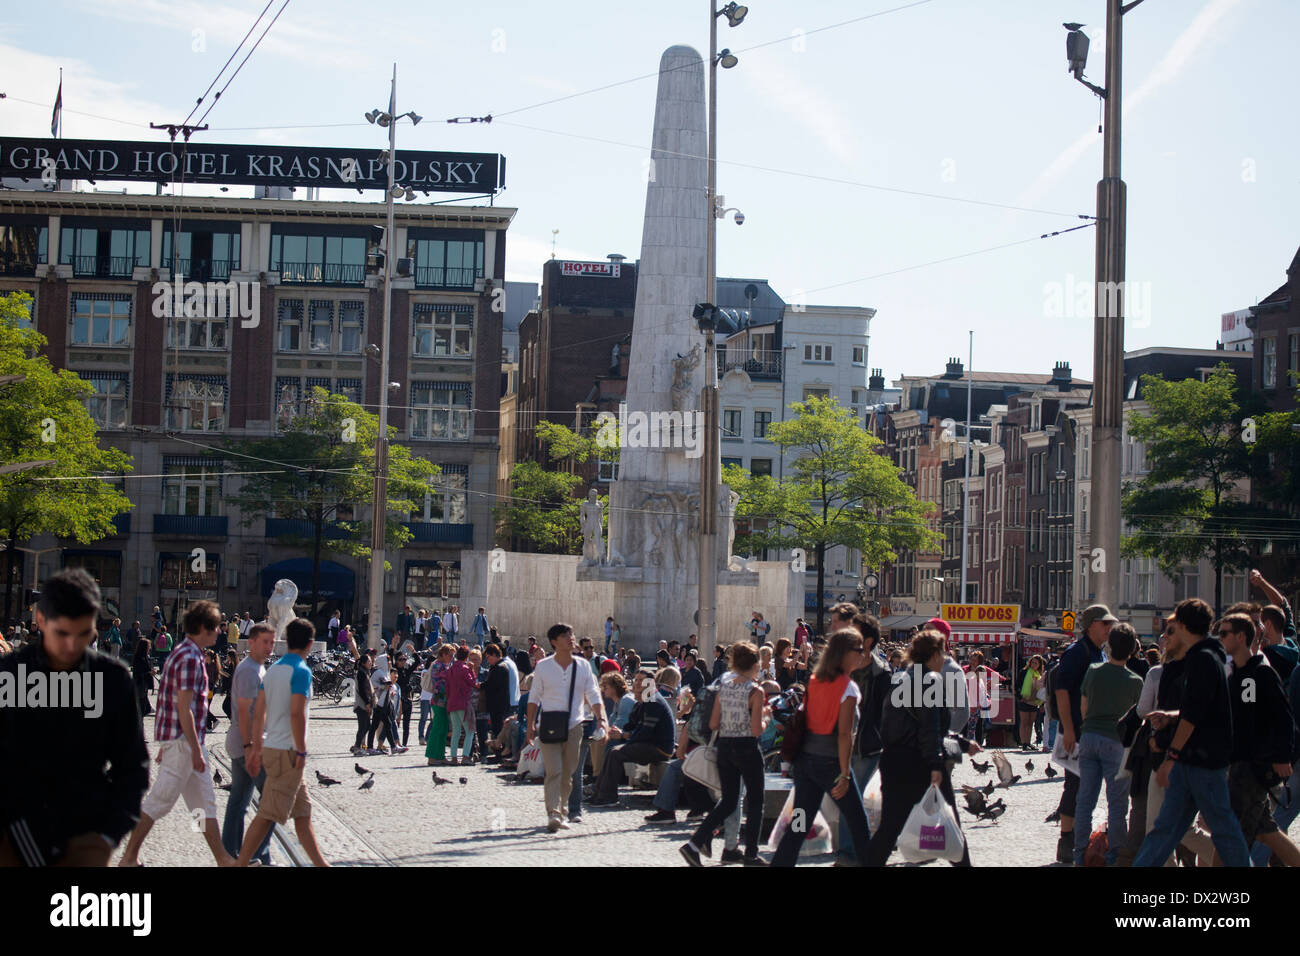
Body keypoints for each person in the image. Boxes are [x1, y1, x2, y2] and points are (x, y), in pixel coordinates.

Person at [0, 570, 148, 867]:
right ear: (41, 621)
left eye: (84, 634)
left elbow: (132, 768)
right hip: (12, 837)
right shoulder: (9, 675)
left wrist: (106, 837)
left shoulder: (112, 679)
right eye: (62, 634)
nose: (71, 647)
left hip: (82, 838)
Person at [1133, 598, 1251, 867]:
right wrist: (1172, 717)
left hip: (1202, 761)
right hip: (1196, 760)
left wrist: (1172, 756)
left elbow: (1195, 714)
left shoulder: (1202, 660)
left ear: (1184, 626)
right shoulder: (1211, 657)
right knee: (1167, 828)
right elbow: (1199, 707)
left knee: (1222, 829)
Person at [118, 601, 236, 867]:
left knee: (204, 802)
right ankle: (129, 857)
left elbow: (167, 701)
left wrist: (171, 743)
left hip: (182, 740)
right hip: (185, 742)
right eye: (216, 627)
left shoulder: (181, 652)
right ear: (204, 628)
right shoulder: (191, 658)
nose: (219, 632)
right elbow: (186, 709)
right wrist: (194, 750)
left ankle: (223, 860)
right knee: (161, 800)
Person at [865, 628, 979, 867]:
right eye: (942, 651)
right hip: (921, 762)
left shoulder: (901, 677)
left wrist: (962, 743)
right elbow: (929, 727)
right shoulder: (930, 680)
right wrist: (936, 764)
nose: (945, 657)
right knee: (952, 825)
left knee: (888, 830)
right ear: (935, 654)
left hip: (895, 760)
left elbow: (916, 724)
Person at [771, 630, 873, 867]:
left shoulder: (816, 681)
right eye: (858, 650)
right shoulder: (848, 688)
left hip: (806, 762)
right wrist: (845, 774)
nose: (862, 654)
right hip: (830, 764)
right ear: (844, 654)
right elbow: (845, 734)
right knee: (858, 822)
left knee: (799, 824)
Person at [236, 618, 329, 866]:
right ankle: (240, 863)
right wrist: (301, 751)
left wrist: (256, 750)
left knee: (302, 814)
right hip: (288, 752)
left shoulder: (273, 669)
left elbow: (259, 713)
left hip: (272, 748)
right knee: (267, 815)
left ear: (286, 641)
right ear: (310, 644)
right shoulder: (301, 671)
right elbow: (297, 713)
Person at [1217, 613, 1300, 865]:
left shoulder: (1256, 674)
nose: (1219, 638)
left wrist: (1282, 756)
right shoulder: (1238, 674)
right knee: (1267, 832)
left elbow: (1282, 717)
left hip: (1251, 766)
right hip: (1242, 763)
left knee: (1231, 834)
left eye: (1224, 633)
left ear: (1241, 637)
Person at [680, 641, 768, 866]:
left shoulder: (724, 688)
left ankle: (694, 843)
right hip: (747, 747)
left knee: (728, 801)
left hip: (725, 747)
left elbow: (713, 722)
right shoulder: (755, 691)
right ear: (754, 664)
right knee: (756, 802)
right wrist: (765, 717)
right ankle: (750, 853)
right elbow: (757, 729)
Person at [1072, 623, 1145, 866]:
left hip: (1091, 736)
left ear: (1109, 646)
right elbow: (1139, 719)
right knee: (1117, 804)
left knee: (1085, 799)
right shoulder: (1136, 681)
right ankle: (1114, 855)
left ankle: (1079, 853)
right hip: (1117, 744)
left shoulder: (1093, 671)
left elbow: (1083, 707)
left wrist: (1089, 727)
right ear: (1133, 650)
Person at [526, 623, 607, 833]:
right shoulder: (543, 666)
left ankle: (562, 811)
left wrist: (602, 718)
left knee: (568, 773)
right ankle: (553, 813)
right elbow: (533, 697)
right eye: (564, 635)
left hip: (575, 726)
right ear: (554, 642)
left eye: (571, 634)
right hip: (549, 725)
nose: (570, 638)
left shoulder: (583, 666)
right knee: (555, 770)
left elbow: (593, 693)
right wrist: (530, 725)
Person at [1052, 604, 1115, 864]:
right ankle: (1066, 840)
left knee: (1086, 786)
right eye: (1105, 624)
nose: (1109, 628)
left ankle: (1077, 838)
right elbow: (1062, 691)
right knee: (1074, 785)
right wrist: (1068, 728)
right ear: (1091, 625)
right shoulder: (1077, 653)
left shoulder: (1098, 653)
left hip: (1089, 731)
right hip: (1075, 731)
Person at [836, 612, 890, 865]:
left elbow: (884, 714)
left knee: (851, 800)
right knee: (847, 801)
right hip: (837, 743)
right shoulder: (840, 667)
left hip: (865, 746)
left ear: (868, 642)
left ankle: (850, 854)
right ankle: (856, 852)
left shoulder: (881, 673)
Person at [221, 623, 275, 866]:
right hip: (248, 744)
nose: (269, 647)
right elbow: (244, 711)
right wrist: (250, 747)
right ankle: (255, 854)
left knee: (239, 802)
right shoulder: (250, 670)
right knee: (273, 799)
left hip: (246, 743)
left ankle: (231, 855)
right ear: (251, 642)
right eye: (264, 642)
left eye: (272, 642)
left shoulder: (257, 668)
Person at [587, 669, 674, 808]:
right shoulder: (643, 700)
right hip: (648, 743)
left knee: (616, 753)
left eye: (641, 681)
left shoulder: (653, 701)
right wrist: (623, 730)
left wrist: (624, 735)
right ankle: (598, 793)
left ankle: (608, 796)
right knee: (613, 751)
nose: (638, 683)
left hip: (659, 748)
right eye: (636, 680)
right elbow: (631, 724)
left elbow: (646, 732)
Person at [446, 646, 478, 766]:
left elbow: (447, 689)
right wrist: (472, 670)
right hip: (464, 703)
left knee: (456, 732)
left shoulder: (450, 670)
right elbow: (473, 683)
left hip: (452, 703)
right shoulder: (465, 669)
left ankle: (453, 758)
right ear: (466, 657)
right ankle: (465, 756)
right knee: (469, 731)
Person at [1019, 655, 1046, 749]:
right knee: (1024, 722)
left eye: (1036, 663)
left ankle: (1028, 741)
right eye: (1032, 662)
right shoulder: (1024, 672)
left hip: (1034, 701)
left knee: (1031, 722)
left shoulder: (1039, 675)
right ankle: (1023, 743)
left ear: (1039, 665)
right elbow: (1017, 685)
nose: (1033, 665)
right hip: (1024, 700)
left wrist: (1041, 703)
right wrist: (1020, 697)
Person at [352, 651, 376, 756]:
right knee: (363, 726)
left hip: (365, 704)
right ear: (363, 663)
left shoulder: (365, 672)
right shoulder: (361, 673)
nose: (371, 663)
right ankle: (357, 748)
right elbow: (362, 690)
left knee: (366, 726)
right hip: (361, 705)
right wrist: (367, 703)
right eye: (369, 661)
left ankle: (356, 746)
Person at [394, 652, 417, 748]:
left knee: (406, 724)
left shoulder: (406, 670)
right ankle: (395, 743)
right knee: (396, 722)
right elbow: (391, 657)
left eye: (404, 659)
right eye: (400, 659)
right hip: (399, 699)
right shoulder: (395, 671)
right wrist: (393, 646)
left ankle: (404, 744)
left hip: (407, 699)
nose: (403, 661)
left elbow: (416, 663)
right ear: (396, 661)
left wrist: (413, 652)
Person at [131, 635, 154, 719]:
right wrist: (150, 673)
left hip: (144, 686)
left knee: (145, 709)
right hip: (140, 685)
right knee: (143, 709)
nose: (150, 648)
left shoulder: (145, 657)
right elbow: (138, 674)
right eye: (149, 646)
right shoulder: (139, 658)